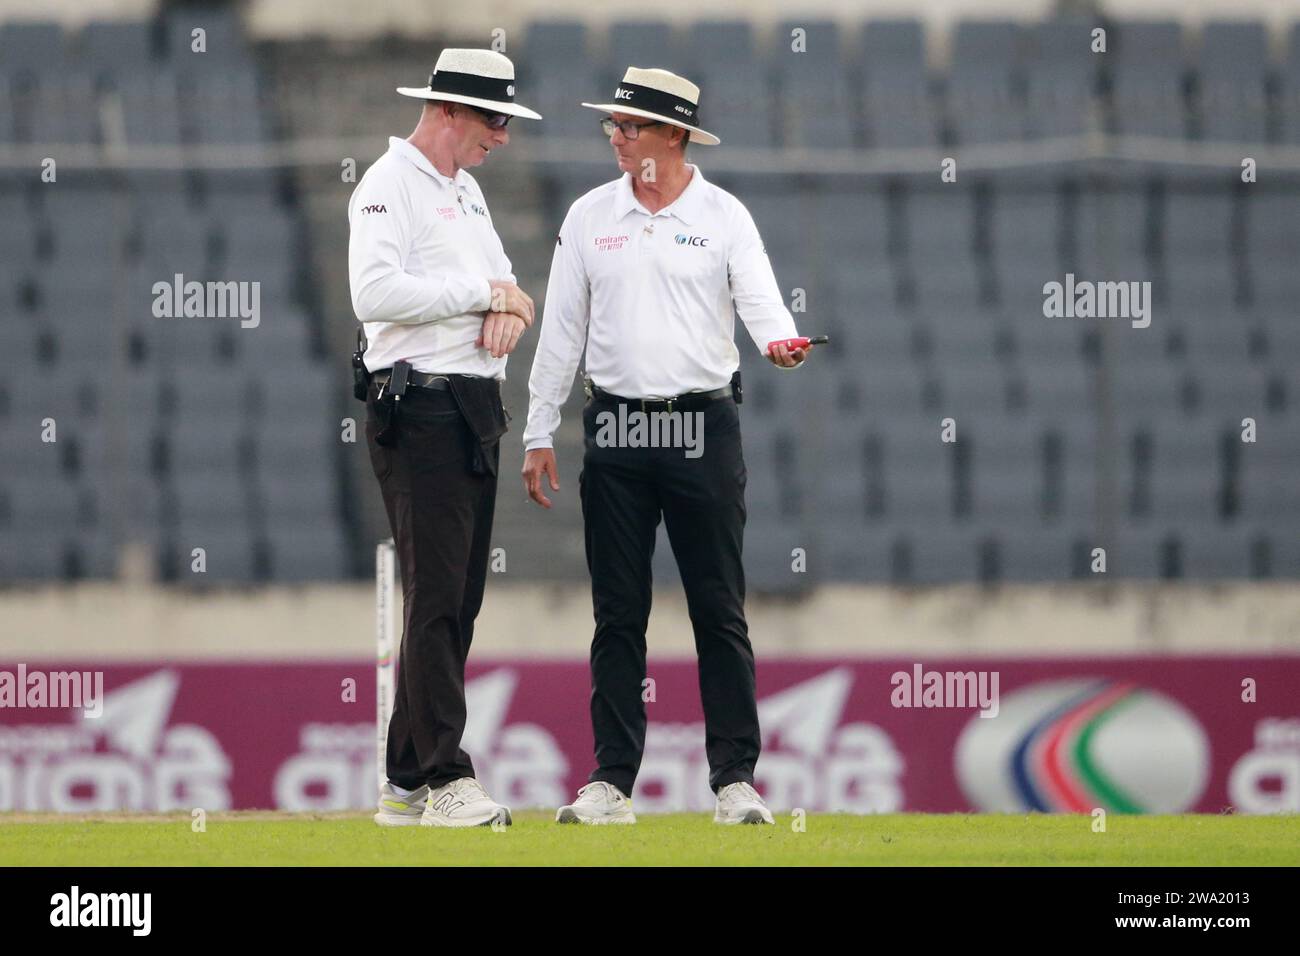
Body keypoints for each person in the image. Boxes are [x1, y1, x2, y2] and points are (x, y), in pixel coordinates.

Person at [522, 67, 815, 825]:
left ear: (674, 135)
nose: (616, 138)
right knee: (618, 611)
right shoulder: (590, 216)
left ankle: (734, 782)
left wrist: (779, 341)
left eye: (630, 127)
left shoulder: (723, 215)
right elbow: (561, 329)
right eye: (613, 126)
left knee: (718, 607)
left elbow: (759, 297)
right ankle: (611, 782)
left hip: (700, 427)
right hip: (615, 426)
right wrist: (537, 426)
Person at [349, 48, 540, 827]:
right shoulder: (387, 184)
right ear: (449, 111)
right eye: (494, 119)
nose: (501, 136)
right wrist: (481, 294)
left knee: (457, 598)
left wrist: (508, 305)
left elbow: (515, 289)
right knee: (435, 597)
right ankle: (446, 776)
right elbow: (373, 292)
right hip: (418, 404)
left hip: (472, 407)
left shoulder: (467, 195)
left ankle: (403, 785)